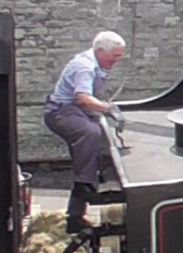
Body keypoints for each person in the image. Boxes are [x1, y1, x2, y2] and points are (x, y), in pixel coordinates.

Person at [43, 32, 126, 235]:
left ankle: (75, 217)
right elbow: (83, 98)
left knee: (96, 137)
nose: (117, 61)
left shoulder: (97, 65)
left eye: (119, 56)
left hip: (74, 110)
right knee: (90, 133)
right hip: (61, 112)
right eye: (114, 56)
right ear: (100, 51)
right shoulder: (85, 67)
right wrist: (108, 109)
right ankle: (86, 184)